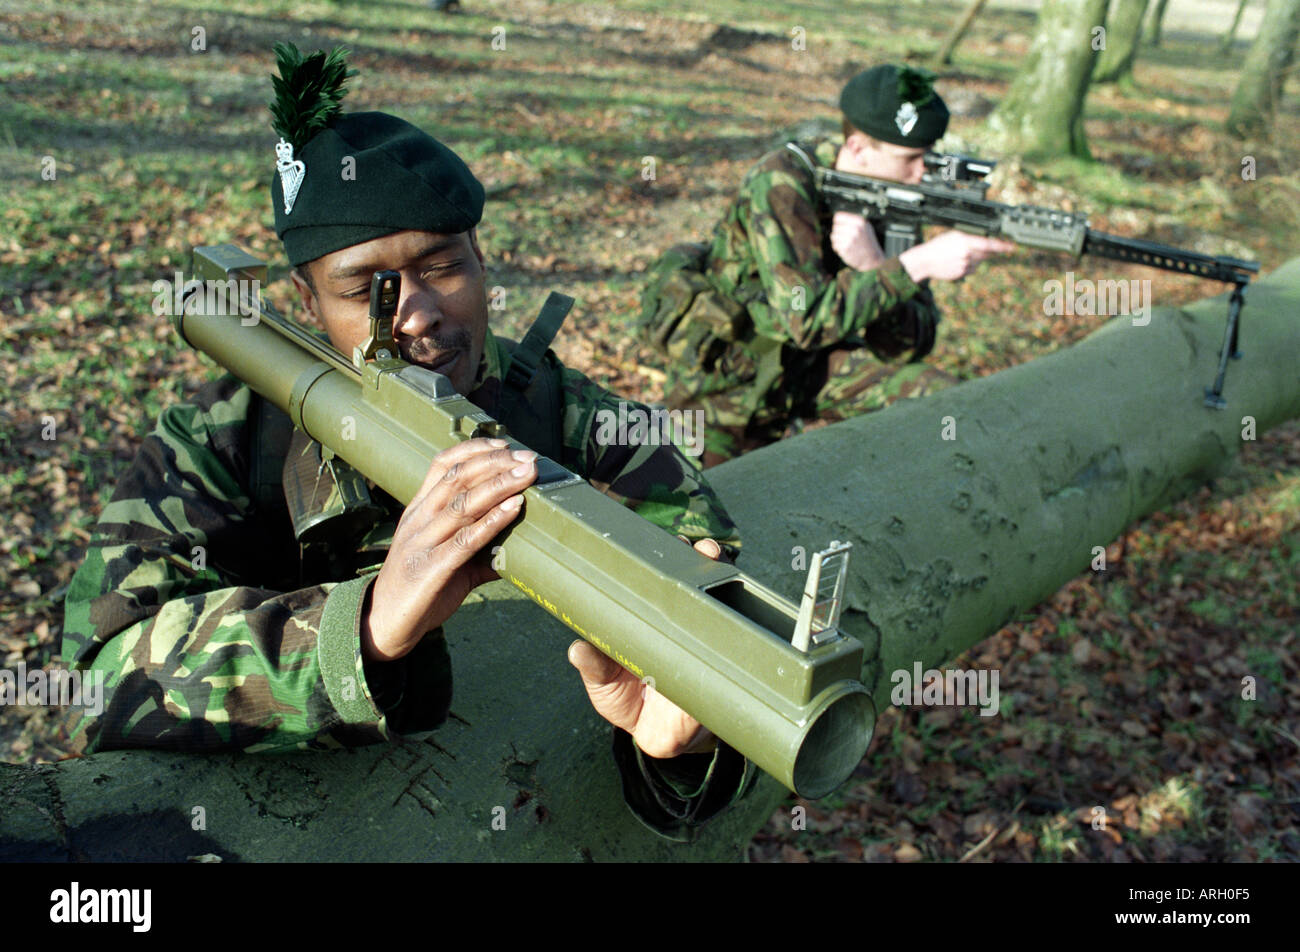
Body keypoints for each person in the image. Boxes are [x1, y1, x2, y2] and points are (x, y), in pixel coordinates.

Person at [61, 44, 753, 841]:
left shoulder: (567, 417)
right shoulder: (228, 438)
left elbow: (699, 562)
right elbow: (98, 671)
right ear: (308, 299)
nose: (417, 313)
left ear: (483, 261)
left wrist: (681, 747)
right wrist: (357, 628)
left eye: (442, 267)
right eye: (365, 290)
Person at [638, 64, 1015, 467]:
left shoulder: (895, 196)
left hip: (814, 371)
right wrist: (911, 265)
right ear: (857, 148)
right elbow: (806, 321)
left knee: (938, 404)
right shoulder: (783, 182)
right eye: (911, 158)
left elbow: (908, 348)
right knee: (677, 507)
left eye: (929, 157)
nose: (923, 172)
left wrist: (876, 264)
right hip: (730, 382)